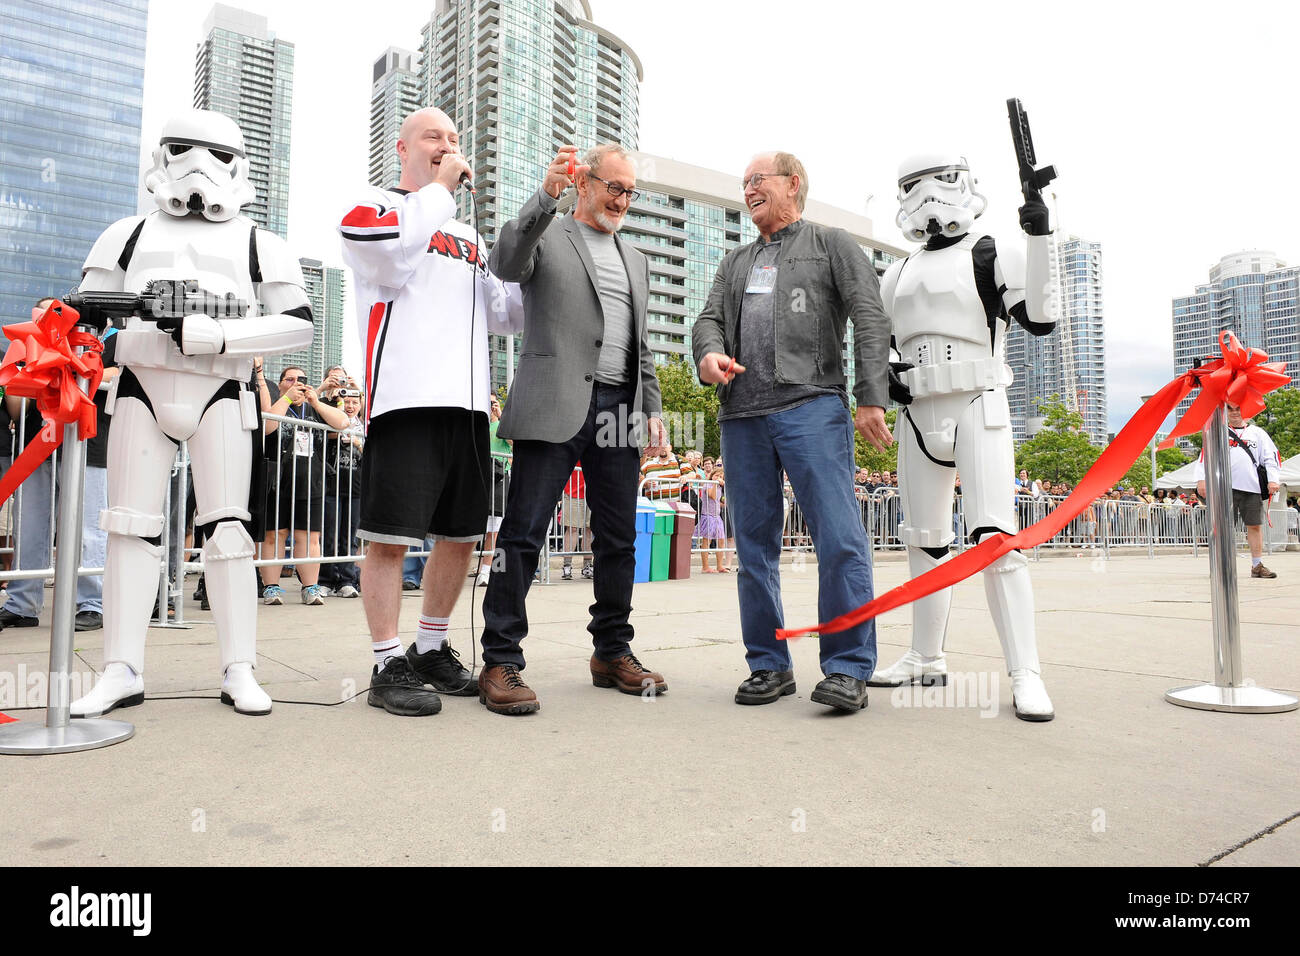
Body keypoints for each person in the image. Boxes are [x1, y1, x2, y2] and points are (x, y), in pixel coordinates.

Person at [69, 109, 314, 718]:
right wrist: (106, 333)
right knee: (129, 524)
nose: (198, 165)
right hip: (141, 387)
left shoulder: (261, 243)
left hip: (221, 392)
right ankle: (121, 666)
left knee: (229, 530)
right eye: (184, 148)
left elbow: (298, 327)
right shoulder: (126, 234)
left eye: (214, 152)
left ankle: (239, 667)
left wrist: (215, 336)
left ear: (238, 166)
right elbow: (83, 314)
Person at [339, 106, 522, 716]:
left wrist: (528, 255)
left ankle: (431, 646)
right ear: (402, 148)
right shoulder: (375, 206)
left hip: (468, 406)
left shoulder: (468, 237)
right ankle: (386, 660)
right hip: (405, 398)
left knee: (461, 534)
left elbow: (504, 315)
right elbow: (386, 260)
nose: (446, 144)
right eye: (432, 136)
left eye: (453, 136)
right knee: (390, 537)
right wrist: (441, 190)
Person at [692, 151, 891, 712]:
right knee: (753, 548)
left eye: (758, 180)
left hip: (812, 408)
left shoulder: (831, 243)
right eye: (744, 183)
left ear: (793, 184)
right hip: (742, 418)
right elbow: (708, 319)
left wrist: (870, 396)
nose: (748, 189)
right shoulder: (735, 262)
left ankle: (848, 667)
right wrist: (708, 355)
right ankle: (769, 665)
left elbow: (869, 315)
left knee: (840, 538)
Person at [867, 151, 1058, 721]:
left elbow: (1042, 317)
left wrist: (1041, 237)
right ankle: (926, 655)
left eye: (939, 181)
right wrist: (888, 382)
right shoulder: (894, 273)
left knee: (997, 540)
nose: (927, 195)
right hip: (918, 413)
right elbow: (884, 347)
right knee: (923, 537)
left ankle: (1025, 671)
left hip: (978, 402)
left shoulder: (992, 251)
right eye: (914, 185)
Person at [482, 142, 669, 715]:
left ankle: (612, 651)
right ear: (584, 183)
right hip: (556, 402)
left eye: (631, 192)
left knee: (619, 539)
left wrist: (653, 408)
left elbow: (642, 346)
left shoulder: (635, 258)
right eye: (615, 188)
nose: (623, 201)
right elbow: (505, 262)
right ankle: (500, 659)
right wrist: (545, 196)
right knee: (524, 534)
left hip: (619, 409)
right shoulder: (551, 232)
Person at [0, 299, 118, 633]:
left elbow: (120, 374)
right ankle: (21, 604)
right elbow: (16, 406)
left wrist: (73, 370)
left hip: (86, 444)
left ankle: (92, 602)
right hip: (37, 445)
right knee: (30, 528)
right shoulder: (31, 345)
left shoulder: (108, 339)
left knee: (88, 529)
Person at [258, 364, 347, 604]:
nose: (296, 383)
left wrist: (316, 402)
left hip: (311, 481)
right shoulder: (279, 405)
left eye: (301, 379)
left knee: (308, 536)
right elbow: (268, 426)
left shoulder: (314, 407)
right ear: (281, 384)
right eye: (290, 379)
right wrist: (287, 397)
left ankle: (310, 587)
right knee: (274, 534)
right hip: (278, 482)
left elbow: (343, 422)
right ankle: (271, 587)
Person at [1194, 402, 1282, 578]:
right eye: (1230, 409)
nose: (1234, 413)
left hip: (1252, 487)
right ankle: (1221, 565)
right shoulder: (1217, 432)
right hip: (1224, 487)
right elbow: (1204, 457)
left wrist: (1273, 480)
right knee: (1222, 528)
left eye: (1238, 409)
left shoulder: (1258, 433)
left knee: (1255, 525)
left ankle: (1257, 565)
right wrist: (1201, 480)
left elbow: (1271, 458)